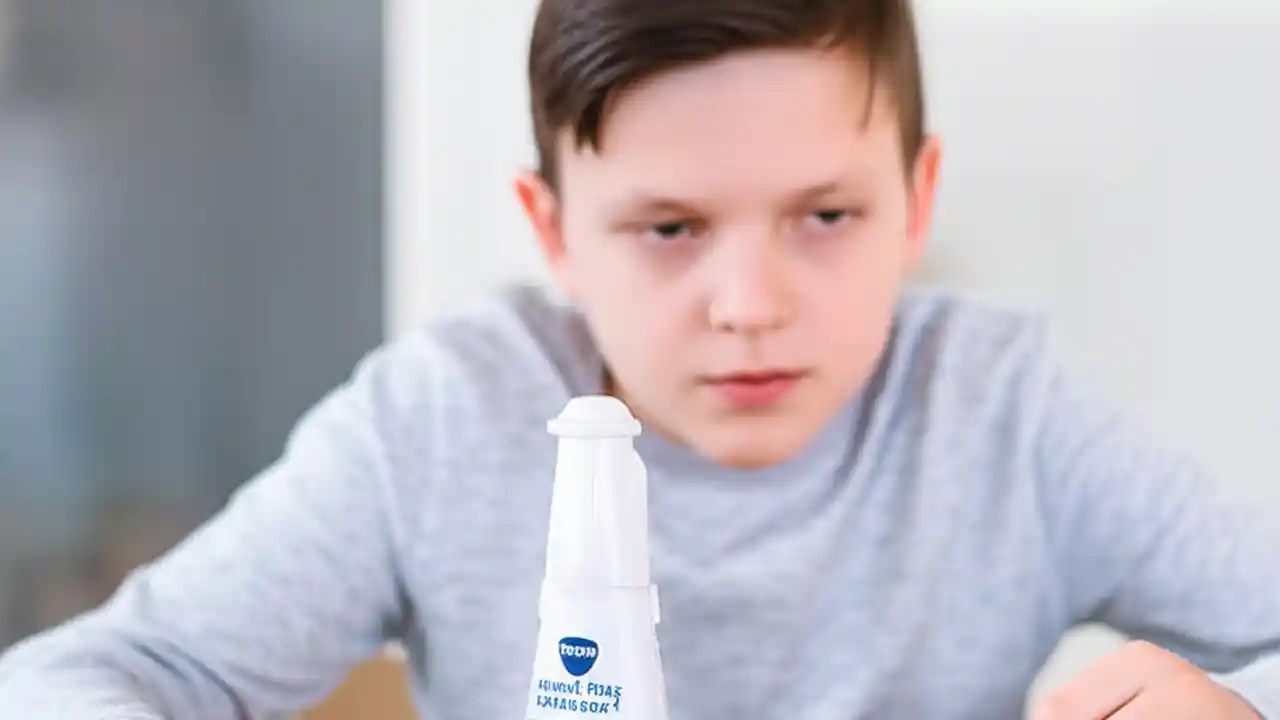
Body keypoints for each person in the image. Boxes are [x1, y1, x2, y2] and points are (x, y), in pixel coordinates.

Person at [1, 1, 1277, 717]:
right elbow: (98, 676)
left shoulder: (1004, 411)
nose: (749, 305)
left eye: (825, 217)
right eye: (668, 229)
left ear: (916, 196)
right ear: (552, 228)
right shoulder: (446, 418)